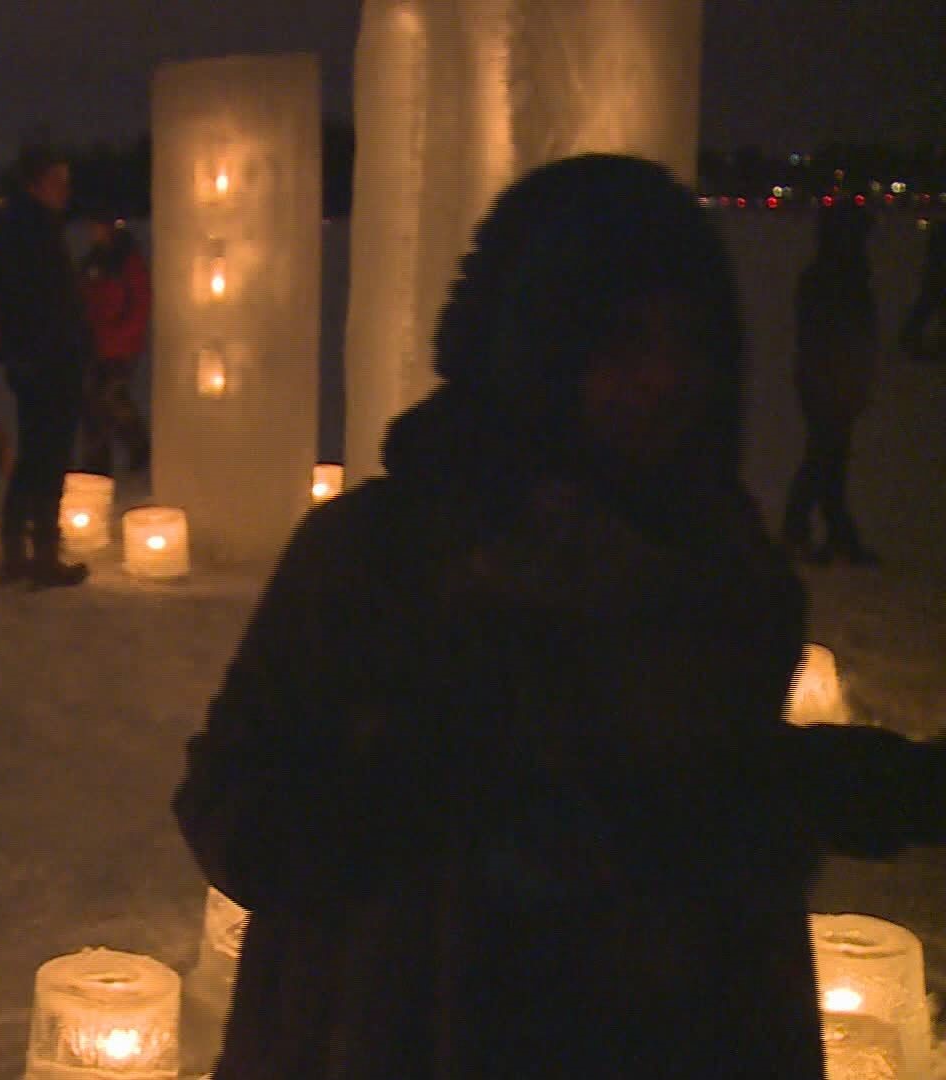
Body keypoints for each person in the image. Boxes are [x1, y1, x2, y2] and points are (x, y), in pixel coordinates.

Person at [172, 155, 946, 1079]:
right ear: (533, 342)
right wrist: (409, 789)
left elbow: (695, 797)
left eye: (691, 341)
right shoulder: (378, 556)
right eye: (619, 339)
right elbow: (228, 798)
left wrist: (821, 785)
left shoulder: (718, 569)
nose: (664, 376)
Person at [0, 148, 93, 587]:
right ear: (36, 184)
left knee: (37, 456)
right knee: (46, 457)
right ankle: (39, 553)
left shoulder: (31, 229)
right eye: (58, 180)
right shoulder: (31, 233)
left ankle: (19, 550)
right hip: (47, 363)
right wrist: (54, 351)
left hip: (42, 360)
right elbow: (36, 304)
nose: (65, 190)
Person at [782, 203, 879, 565]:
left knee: (827, 459)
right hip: (829, 380)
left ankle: (829, 534)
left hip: (828, 379)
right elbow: (834, 336)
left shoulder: (832, 276)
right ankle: (811, 531)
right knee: (825, 459)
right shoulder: (839, 279)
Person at [76, 210, 151, 476]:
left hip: (118, 346)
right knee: (92, 403)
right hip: (95, 344)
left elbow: (139, 303)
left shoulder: (126, 261)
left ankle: (139, 448)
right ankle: (97, 460)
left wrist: (123, 334)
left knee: (112, 397)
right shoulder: (92, 261)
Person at [897, 217, 945, 365]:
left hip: (936, 272)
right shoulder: (941, 228)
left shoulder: (939, 227)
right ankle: (912, 338)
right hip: (938, 272)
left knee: (927, 305)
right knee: (928, 305)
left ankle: (912, 338)